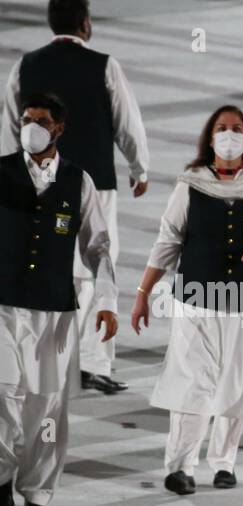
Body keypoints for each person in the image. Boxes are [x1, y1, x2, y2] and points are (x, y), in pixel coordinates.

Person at [130, 106, 243, 496]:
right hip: (198, 299)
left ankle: (224, 461)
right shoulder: (191, 185)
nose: (229, 135)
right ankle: (181, 466)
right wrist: (143, 294)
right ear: (210, 137)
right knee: (193, 382)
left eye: (236, 129)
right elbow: (168, 241)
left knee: (238, 381)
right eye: (222, 128)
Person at [4, 0, 148, 395]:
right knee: (98, 266)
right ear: (86, 23)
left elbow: (8, 126)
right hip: (96, 184)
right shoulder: (105, 66)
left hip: (38, 186)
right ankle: (94, 362)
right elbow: (127, 123)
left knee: (47, 267)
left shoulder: (25, 66)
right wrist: (140, 169)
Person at [0, 92, 117, 506]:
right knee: (2, 396)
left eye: (41, 120)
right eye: (26, 118)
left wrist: (105, 301)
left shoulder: (78, 181)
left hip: (54, 311)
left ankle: (38, 493)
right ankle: (0, 478)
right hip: (4, 306)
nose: (31, 126)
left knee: (46, 406)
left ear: (59, 128)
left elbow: (98, 247)